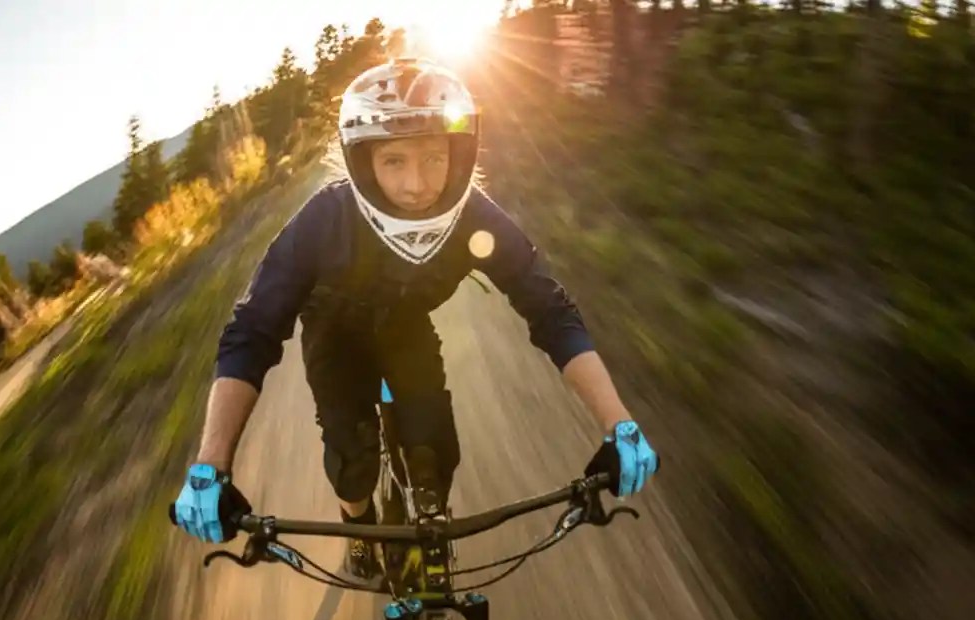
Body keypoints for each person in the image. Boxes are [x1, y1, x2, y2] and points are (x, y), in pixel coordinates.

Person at [170, 58, 658, 578]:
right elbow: (252, 331)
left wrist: (619, 424)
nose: (416, 184)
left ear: (459, 155)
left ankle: (425, 515)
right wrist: (211, 464)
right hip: (334, 337)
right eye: (394, 160)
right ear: (363, 163)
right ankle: (358, 523)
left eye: (434, 157)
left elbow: (550, 310)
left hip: (406, 329)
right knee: (352, 461)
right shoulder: (323, 221)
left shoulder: (476, 217)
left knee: (436, 451)